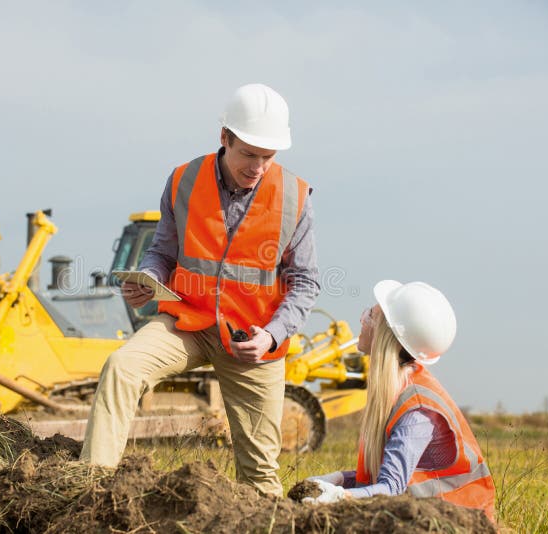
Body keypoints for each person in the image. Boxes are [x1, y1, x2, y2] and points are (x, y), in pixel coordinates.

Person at [80, 83, 320, 496]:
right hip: (186, 323)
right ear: (224, 137)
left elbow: (306, 282)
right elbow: (162, 252)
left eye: (268, 156)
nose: (258, 166)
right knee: (122, 368)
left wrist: (271, 335)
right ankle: (89, 490)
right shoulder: (182, 181)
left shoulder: (295, 197)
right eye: (248, 153)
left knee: (260, 476)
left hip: (252, 341)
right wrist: (147, 279)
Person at [304, 280, 496, 521]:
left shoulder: (416, 410)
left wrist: (341, 495)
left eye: (371, 315)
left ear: (387, 333)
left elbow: (391, 488)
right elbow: (383, 480)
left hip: (458, 524)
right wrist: (340, 480)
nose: (362, 319)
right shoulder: (398, 391)